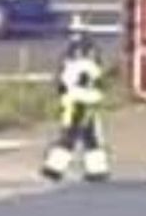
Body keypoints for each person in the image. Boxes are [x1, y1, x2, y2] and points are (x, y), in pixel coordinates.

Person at [41, 21, 110, 182]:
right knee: (90, 136)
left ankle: (54, 168)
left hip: (75, 100)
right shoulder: (94, 53)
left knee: (69, 134)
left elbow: (64, 79)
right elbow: (100, 78)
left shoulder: (71, 54)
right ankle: (98, 169)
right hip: (90, 100)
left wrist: (61, 92)